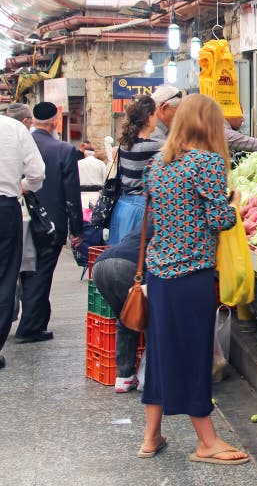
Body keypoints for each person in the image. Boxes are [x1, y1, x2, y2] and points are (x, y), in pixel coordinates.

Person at [139, 93, 249, 464]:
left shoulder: (158, 163)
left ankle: (151, 436)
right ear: (209, 125)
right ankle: (207, 441)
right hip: (191, 274)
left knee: (161, 352)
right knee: (194, 354)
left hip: (159, 274)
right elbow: (219, 219)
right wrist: (234, 202)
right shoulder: (207, 162)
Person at [17, 102, 83, 344]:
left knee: (25, 271)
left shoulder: (21, 144)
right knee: (42, 273)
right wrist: (77, 229)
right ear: (55, 122)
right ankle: (30, 326)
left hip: (20, 217)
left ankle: (36, 319)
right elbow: (71, 194)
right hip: (51, 222)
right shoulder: (63, 150)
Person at [0, 114, 45, 368]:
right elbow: (37, 173)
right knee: (5, 277)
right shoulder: (14, 127)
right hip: (5, 207)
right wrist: (24, 186)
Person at [92, 221, 153, 393]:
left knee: (126, 319)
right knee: (152, 321)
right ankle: (149, 378)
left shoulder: (147, 219)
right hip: (129, 267)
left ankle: (124, 377)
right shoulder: (170, 218)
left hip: (101, 265)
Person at [109, 96, 160, 245]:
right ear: (149, 118)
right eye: (155, 114)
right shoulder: (154, 147)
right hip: (142, 208)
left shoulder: (123, 145)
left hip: (122, 206)